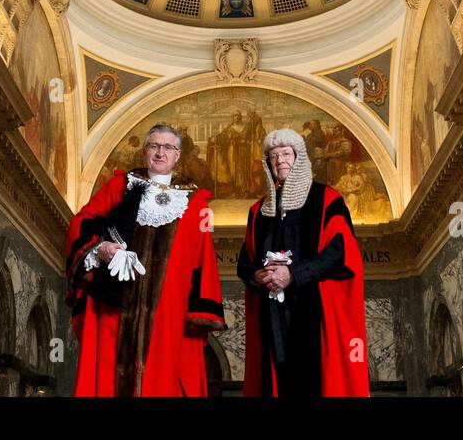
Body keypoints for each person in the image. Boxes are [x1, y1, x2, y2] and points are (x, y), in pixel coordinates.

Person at [67, 124, 225, 396]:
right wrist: (101, 247)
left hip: (169, 310)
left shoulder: (196, 201)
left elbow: (204, 259)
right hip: (116, 302)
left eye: (168, 147)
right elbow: (81, 221)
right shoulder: (120, 185)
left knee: (161, 379)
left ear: (178, 155)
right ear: (145, 151)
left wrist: (200, 312)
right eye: (154, 146)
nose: (160, 152)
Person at [236, 128, 369, 396]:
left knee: (313, 379)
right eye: (273, 156)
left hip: (313, 306)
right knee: (276, 377)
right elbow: (244, 262)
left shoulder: (327, 199)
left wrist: (293, 274)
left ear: (298, 157)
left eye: (286, 154)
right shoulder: (258, 211)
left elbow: (339, 251)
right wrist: (258, 275)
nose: (280, 160)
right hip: (271, 313)